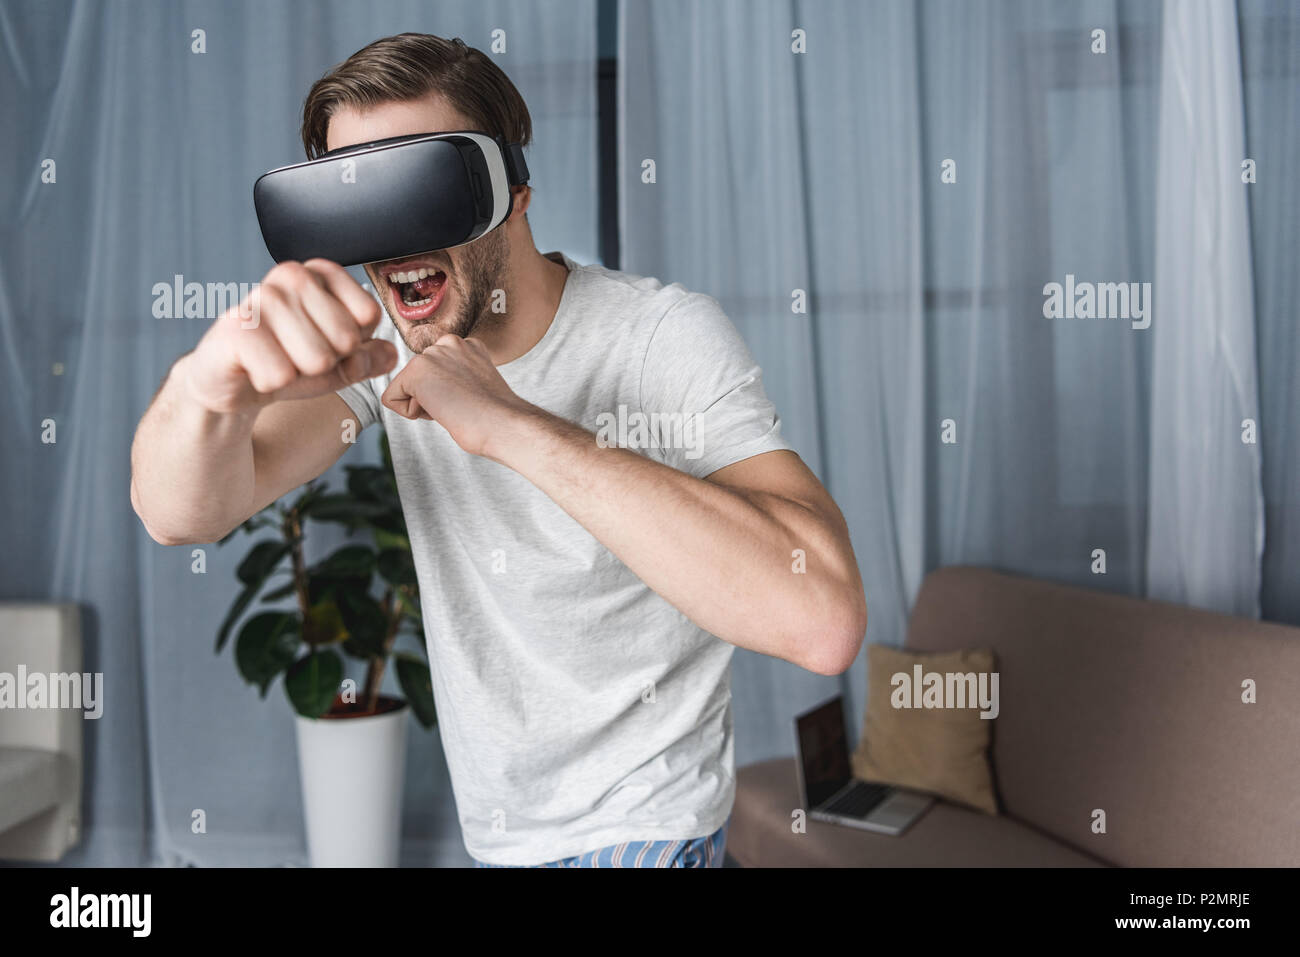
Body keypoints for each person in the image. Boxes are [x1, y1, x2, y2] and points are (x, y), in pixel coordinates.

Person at [130, 33, 867, 868]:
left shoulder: (660, 336)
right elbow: (177, 513)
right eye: (360, 196)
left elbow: (825, 618)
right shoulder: (385, 353)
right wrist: (207, 390)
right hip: (505, 839)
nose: (394, 236)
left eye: (422, 184)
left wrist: (518, 427)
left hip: (644, 828)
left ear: (513, 191)